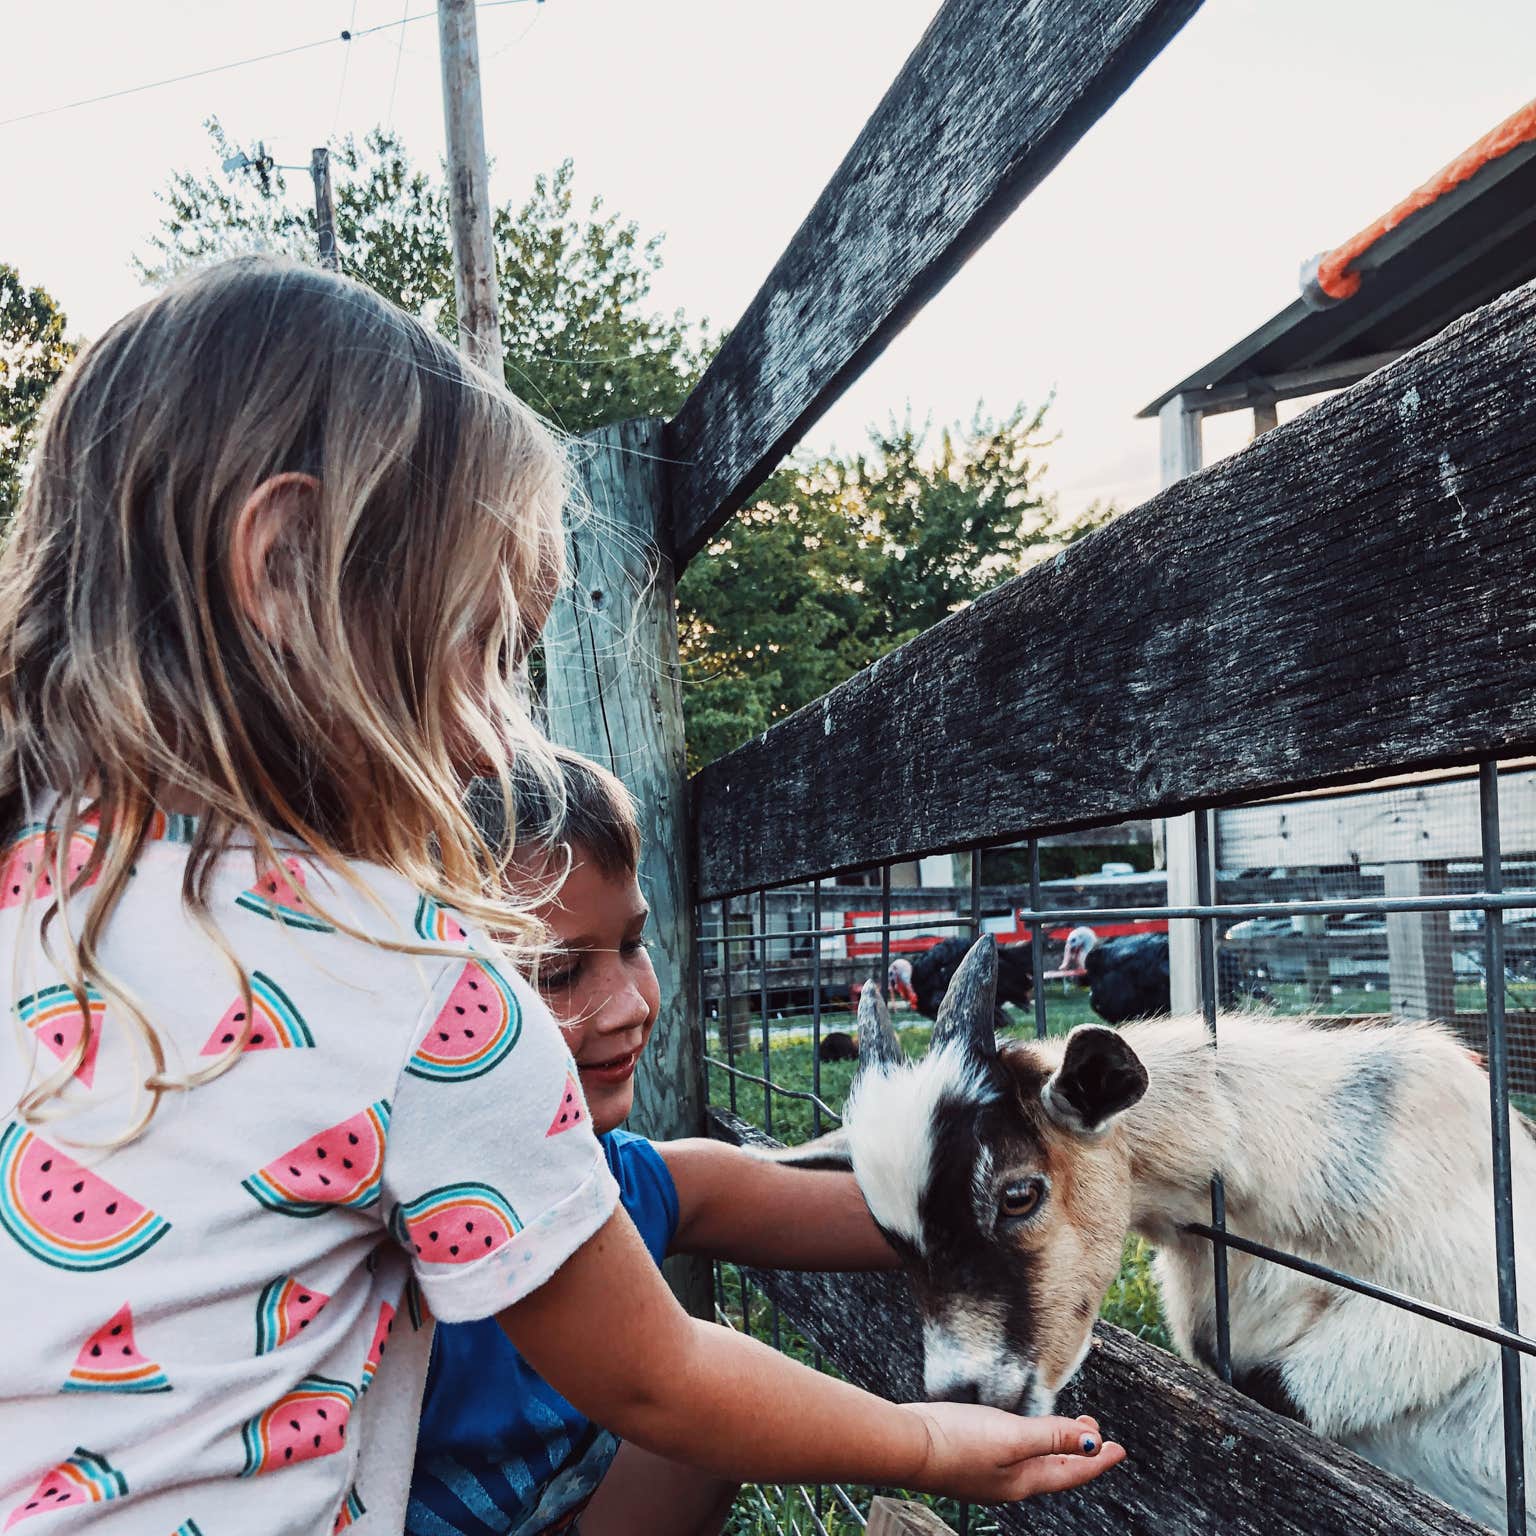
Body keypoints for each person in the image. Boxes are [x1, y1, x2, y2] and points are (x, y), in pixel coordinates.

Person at [0, 257, 1123, 1535]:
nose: (490, 746)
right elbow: (657, 1372)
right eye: (480, 652)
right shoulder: (406, 985)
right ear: (288, 564)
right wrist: (927, 1443)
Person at [415, 748, 921, 1535]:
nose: (626, 1005)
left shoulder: (629, 1183)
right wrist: (929, 1446)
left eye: (631, 943)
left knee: (719, 1407)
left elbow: (898, 1207)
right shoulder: (377, 1261)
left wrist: (1068, 1165)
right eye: (556, 973)